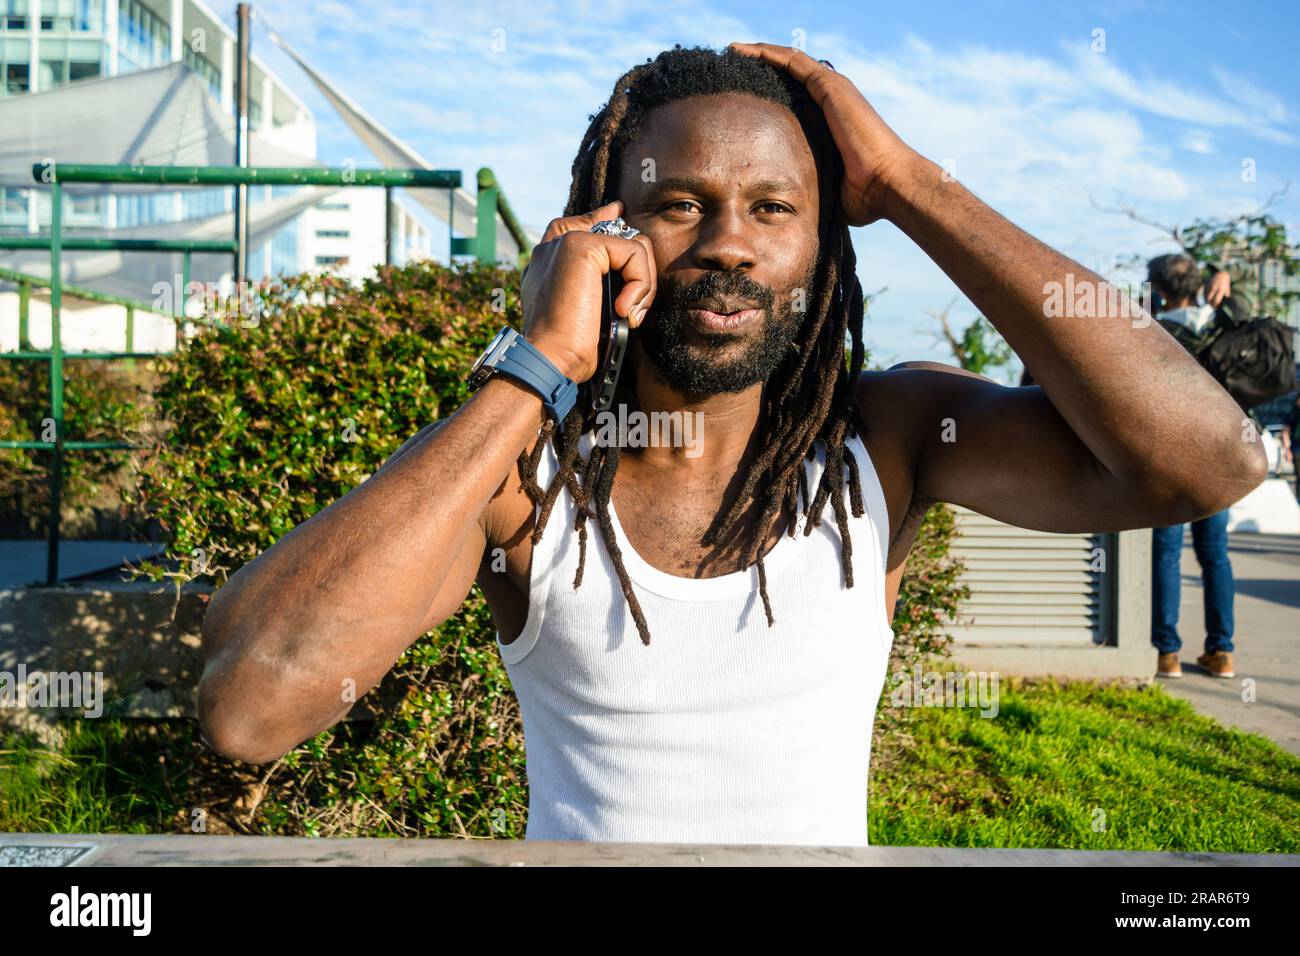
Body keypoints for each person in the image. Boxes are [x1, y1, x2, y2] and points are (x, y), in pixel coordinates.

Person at [196, 45, 1266, 845]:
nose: (729, 245)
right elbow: (252, 704)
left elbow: (1208, 461)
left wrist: (910, 186)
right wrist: (536, 360)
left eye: (773, 207)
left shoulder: (886, 443)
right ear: (603, 229)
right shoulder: (525, 475)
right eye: (678, 204)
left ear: (821, 244)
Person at [1146, 253, 1243, 679]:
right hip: (1220, 456)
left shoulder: (1153, 330)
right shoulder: (1222, 325)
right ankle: (1221, 652)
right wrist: (1226, 281)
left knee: (1167, 553)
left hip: (1170, 455)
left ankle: (1167, 653)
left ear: (1159, 290)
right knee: (1215, 556)